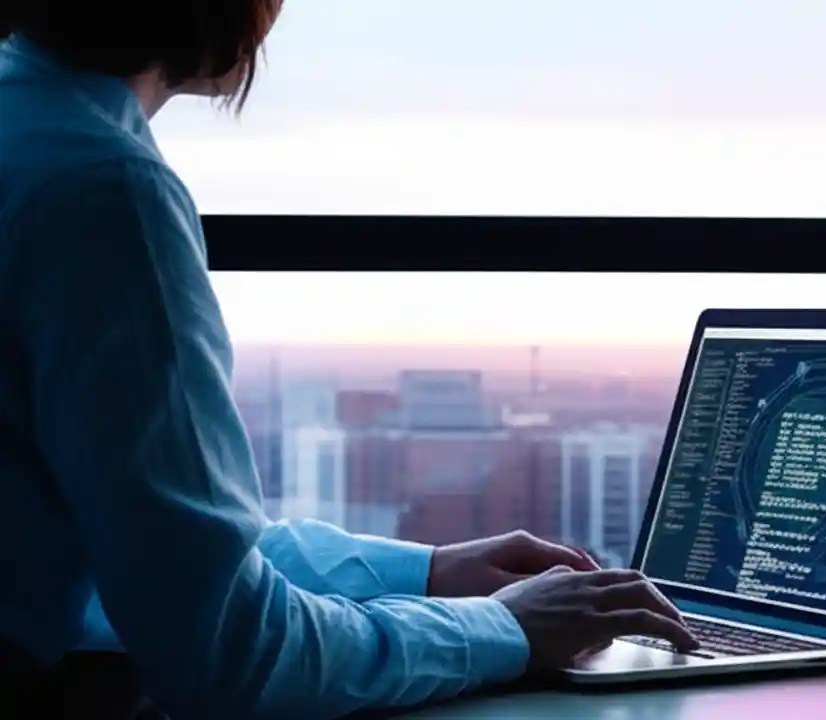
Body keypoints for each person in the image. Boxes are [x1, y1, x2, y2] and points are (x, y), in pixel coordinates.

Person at [0, 2, 698, 718]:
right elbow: (229, 652)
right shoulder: (100, 191)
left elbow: (165, 553)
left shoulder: (30, 129)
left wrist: (431, 573)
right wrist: (508, 628)